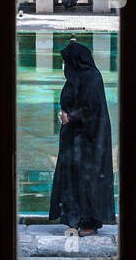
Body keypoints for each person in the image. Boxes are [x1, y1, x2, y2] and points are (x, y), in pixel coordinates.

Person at [49, 40, 115, 237]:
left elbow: (92, 110)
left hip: (90, 139)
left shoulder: (91, 78)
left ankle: (90, 220)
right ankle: (76, 217)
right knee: (73, 177)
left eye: (67, 61)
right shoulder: (78, 77)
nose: (65, 66)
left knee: (89, 179)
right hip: (75, 137)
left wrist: (70, 116)